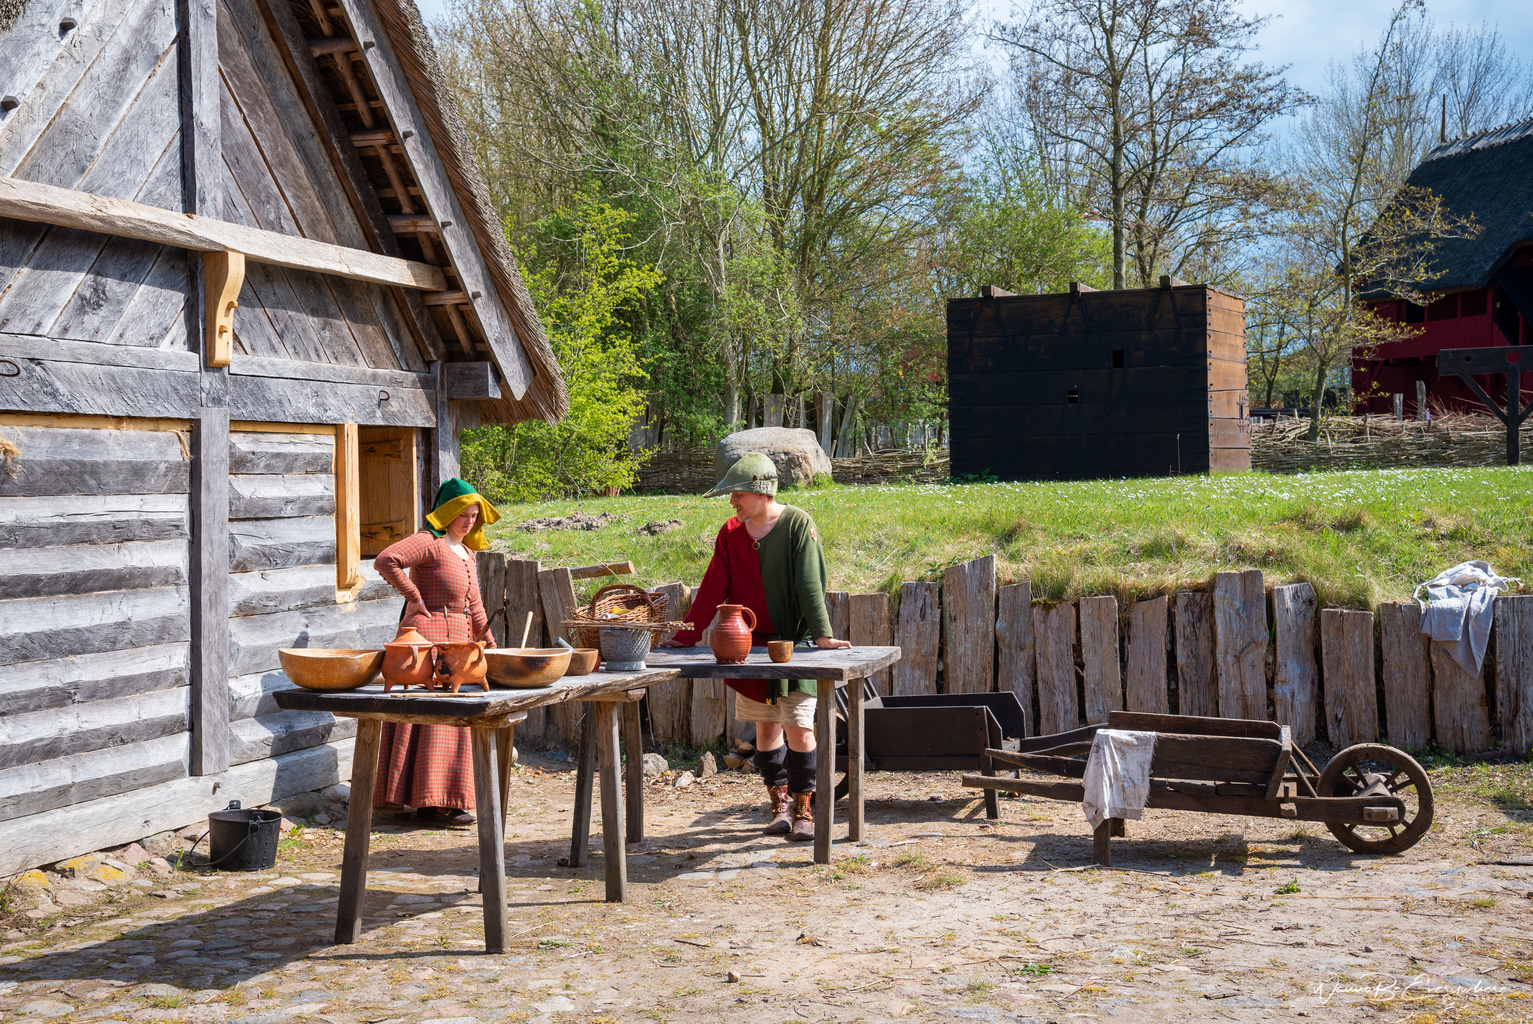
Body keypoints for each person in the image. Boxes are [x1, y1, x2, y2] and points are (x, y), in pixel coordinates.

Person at [663, 453, 852, 840]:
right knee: (765, 733)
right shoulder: (731, 532)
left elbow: (809, 584)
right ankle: (779, 807)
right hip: (749, 649)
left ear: (762, 491)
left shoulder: (797, 524)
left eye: (738, 493)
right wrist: (686, 634)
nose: (733, 501)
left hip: (792, 648)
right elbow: (713, 586)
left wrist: (821, 636)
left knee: (799, 729)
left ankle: (805, 812)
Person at [372, 477, 500, 826]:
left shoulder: (468, 554)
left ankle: (448, 799)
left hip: (458, 641)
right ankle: (426, 803)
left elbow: (474, 605)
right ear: (446, 514)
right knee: (429, 717)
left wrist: (489, 644)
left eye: (475, 515)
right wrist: (414, 597)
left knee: (455, 720)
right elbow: (387, 560)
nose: (470, 520)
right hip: (426, 640)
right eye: (463, 513)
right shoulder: (430, 542)